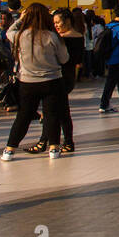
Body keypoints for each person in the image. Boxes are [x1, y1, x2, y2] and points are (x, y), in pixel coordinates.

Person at [1, 3, 67, 161]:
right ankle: (54, 148)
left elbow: (8, 32)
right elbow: (64, 59)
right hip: (52, 80)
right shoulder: (52, 36)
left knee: (23, 116)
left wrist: (21, 19)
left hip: (28, 82)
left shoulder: (21, 35)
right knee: (51, 114)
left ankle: (10, 149)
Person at [35, 8, 84, 153]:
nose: (56, 25)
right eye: (54, 22)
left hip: (58, 78)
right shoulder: (79, 36)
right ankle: (60, 142)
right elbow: (78, 61)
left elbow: (60, 59)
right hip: (68, 78)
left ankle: (46, 141)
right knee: (59, 111)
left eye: (58, 22)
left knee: (53, 111)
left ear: (67, 21)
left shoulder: (63, 38)